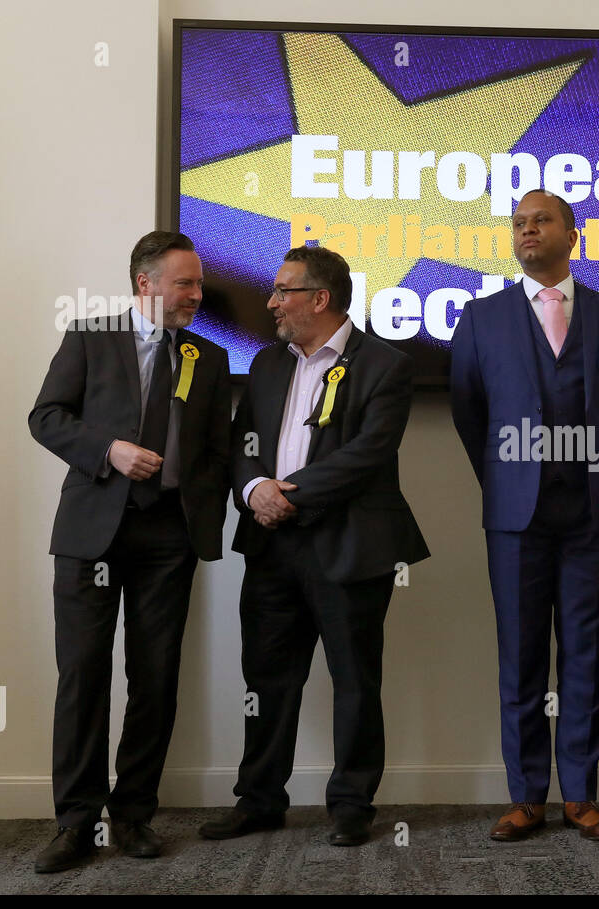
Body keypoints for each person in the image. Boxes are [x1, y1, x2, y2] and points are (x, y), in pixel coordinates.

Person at [198, 246, 429, 848]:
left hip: (350, 546)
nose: (271, 303)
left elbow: (368, 453)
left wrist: (286, 493)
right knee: (266, 679)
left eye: (283, 291)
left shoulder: (384, 364)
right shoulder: (270, 363)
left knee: (355, 680)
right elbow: (241, 438)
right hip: (271, 545)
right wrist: (254, 489)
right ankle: (259, 799)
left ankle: (352, 804)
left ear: (319, 299)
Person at [27, 231, 231, 872]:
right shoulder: (89, 338)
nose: (197, 295)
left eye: (198, 283)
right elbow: (46, 416)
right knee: (83, 673)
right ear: (145, 284)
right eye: (185, 283)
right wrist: (109, 450)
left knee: (155, 677)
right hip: (93, 534)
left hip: (169, 538)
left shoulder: (211, 357)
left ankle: (135, 814)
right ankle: (76, 822)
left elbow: (214, 453)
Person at [451, 189, 599, 841]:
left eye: (541, 221)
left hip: (591, 512)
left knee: (587, 653)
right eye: (519, 224)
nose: (528, 230)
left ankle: (581, 796)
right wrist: (507, 479)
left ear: (573, 233)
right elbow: (467, 412)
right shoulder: (481, 318)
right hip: (515, 516)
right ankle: (527, 795)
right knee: (521, 654)